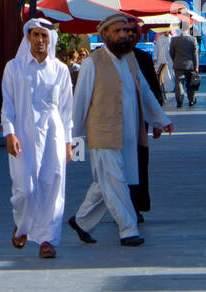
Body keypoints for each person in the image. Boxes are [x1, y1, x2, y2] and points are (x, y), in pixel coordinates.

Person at [69, 14, 172, 247]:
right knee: (115, 183)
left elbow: (145, 92)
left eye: (126, 31)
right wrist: (73, 139)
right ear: (104, 35)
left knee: (107, 182)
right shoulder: (91, 63)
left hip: (128, 135)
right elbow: (80, 103)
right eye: (118, 31)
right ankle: (128, 229)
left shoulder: (131, 61)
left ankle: (82, 220)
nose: (124, 35)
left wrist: (160, 120)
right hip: (103, 135)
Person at [1, 19, 74, 260]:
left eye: (44, 35)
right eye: (35, 35)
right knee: (25, 187)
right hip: (23, 135)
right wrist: (9, 133)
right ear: (28, 37)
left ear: (50, 39)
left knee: (52, 185)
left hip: (53, 135)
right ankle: (22, 226)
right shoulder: (14, 68)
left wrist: (69, 143)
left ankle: (48, 240)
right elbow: (8, 104)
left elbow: (66, 110)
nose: (40, 40)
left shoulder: (61, 70)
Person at [130, 25, 164, 225]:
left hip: (140, 120)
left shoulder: (142, 57)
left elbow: (152, 89)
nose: (130, 36)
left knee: (140, 163)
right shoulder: (105, 58)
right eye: (125, 32)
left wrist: (157, 121)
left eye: (134, 33)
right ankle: (124, 206)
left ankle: (137, 206)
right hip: (114, 123)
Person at [169, 21, 199, 108]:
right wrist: (196, 66)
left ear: (179, 27)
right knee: (190, 83)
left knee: (179, 84)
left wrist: (175, 60)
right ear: (188, 27)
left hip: (178, 65)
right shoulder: (193, 39)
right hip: (190, 65)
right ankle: (191, 100)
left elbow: (171, 52)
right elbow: (195, 54)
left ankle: (179, 101)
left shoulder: (174, 40)